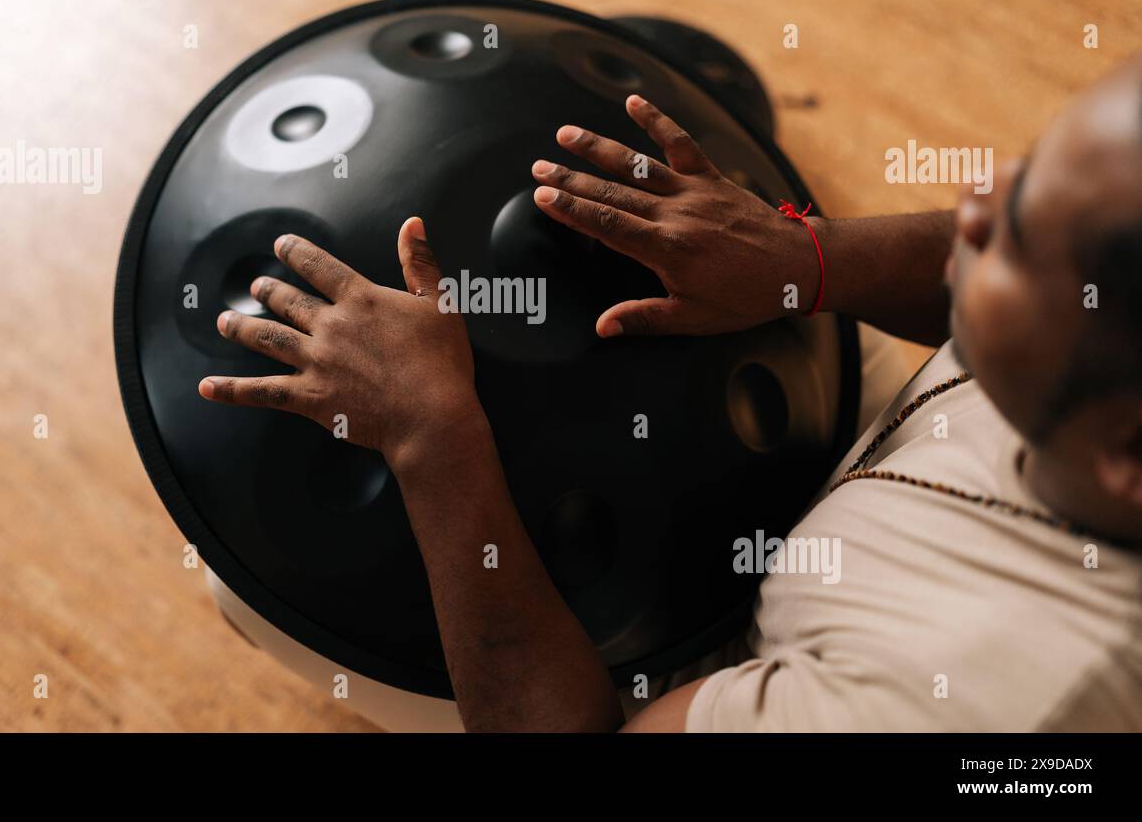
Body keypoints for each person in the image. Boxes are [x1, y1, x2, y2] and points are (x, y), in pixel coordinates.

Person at [197, 54, 1142, 732]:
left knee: (233, 588)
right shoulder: (1101, 385)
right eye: (1026, 171)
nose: (972, 199)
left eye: (1014, 233)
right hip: (893, 459)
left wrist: (432, 439)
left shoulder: (987, 703)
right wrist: (802, 259)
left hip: (767, 669)